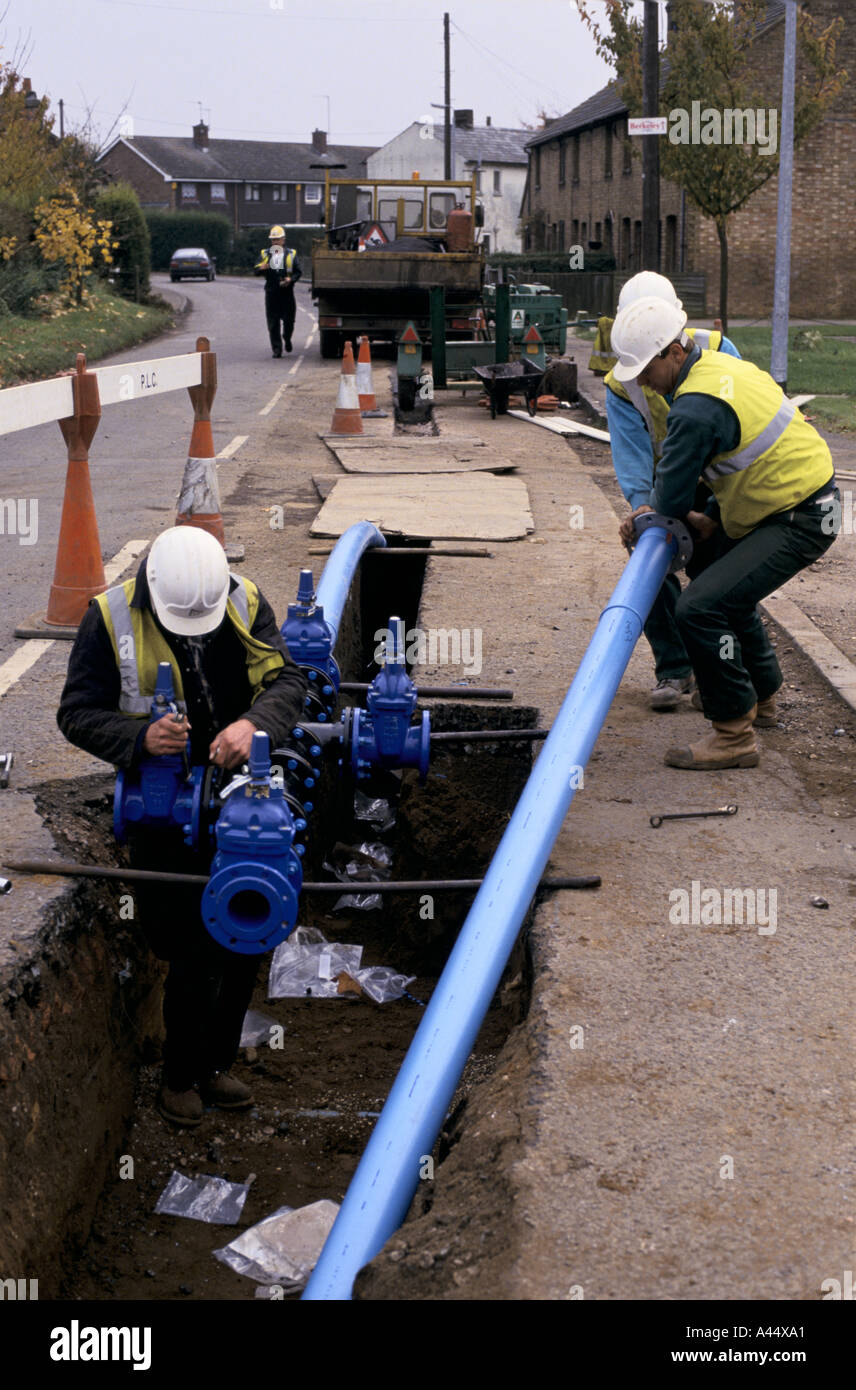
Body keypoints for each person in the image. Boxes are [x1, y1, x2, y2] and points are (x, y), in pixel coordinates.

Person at [58, 526, 308, 1125]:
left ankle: (214, 1066)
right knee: (190, 947)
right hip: (165, 807)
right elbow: (76, 713)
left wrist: (254, 725)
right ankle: (178, 1075)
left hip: (241, 799)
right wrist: (139, 738)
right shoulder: (109, 617)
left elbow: (290, 681)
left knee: (247, 935)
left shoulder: (243, 600)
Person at [612, 295, 839, 771]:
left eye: (645, 370)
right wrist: (713, 512)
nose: (642, 383)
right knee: (720, 580)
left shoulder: (694, 407)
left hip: (799, 516)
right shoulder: (715, 365)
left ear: (674, 351)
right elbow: (753, 451)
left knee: (701, 606)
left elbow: (671, 499)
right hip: (795, 500)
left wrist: (647, 515)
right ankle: (764, 696)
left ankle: (734, 732)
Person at [605, 271, 742, 711]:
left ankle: (718, 672)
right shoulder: (621, 383)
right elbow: (630, 451)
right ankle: (675, 667)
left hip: (719, 478)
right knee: (650, 566)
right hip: (670, 481)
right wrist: (644, 507)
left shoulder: (719, 349)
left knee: (717, 575)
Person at [254, 224, 302, 357]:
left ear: (283, 240)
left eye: (277, 239)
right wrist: (261, 268)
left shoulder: (291, 254)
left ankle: (287, 338)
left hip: (287, 292)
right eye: (273, 240)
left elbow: (298, 272)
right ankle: (277, 349)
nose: (275, 242)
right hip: (271, 292)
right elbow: (256, 270)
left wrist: (290, 280)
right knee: (273, 322)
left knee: (289, 320)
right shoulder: (264, 254)